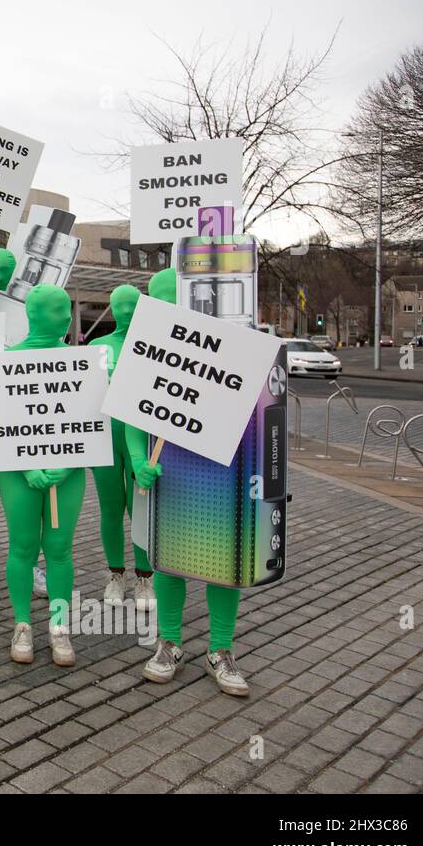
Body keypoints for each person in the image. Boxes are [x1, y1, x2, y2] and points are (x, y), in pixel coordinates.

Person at [132, 268, 248, 697]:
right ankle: (169, 642)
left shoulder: (231, 348)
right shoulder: (145, 349)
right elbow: (132, 415)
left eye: (171, 297)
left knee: (223, 560)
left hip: (217, 470)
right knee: (165, 558)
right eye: (157, 299)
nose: (165, 306)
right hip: (163, 472)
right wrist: (137, 459)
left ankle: (221, 649)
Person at [0, 283, 85, 667]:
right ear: (33, 314)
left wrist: (66, 463)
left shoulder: (83, 361)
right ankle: (21, 623)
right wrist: (27, 466)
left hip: (69, 471)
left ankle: (60, 625)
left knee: (61, 548)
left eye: (66, 309)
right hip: (19, 474)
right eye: (57, 310)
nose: (66, 316)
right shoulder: (5, 360)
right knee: (22, 546)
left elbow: (89, 421)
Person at [88, 284, 155, 610]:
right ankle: (116, 574)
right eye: (120, 305)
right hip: (104, 436)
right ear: (111, 308)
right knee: (111, 508)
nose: (126, 311)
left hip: (140, 437)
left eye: (132, 305)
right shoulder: (97, 346)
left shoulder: (152, 345)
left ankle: (145, 576)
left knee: (140, 508)